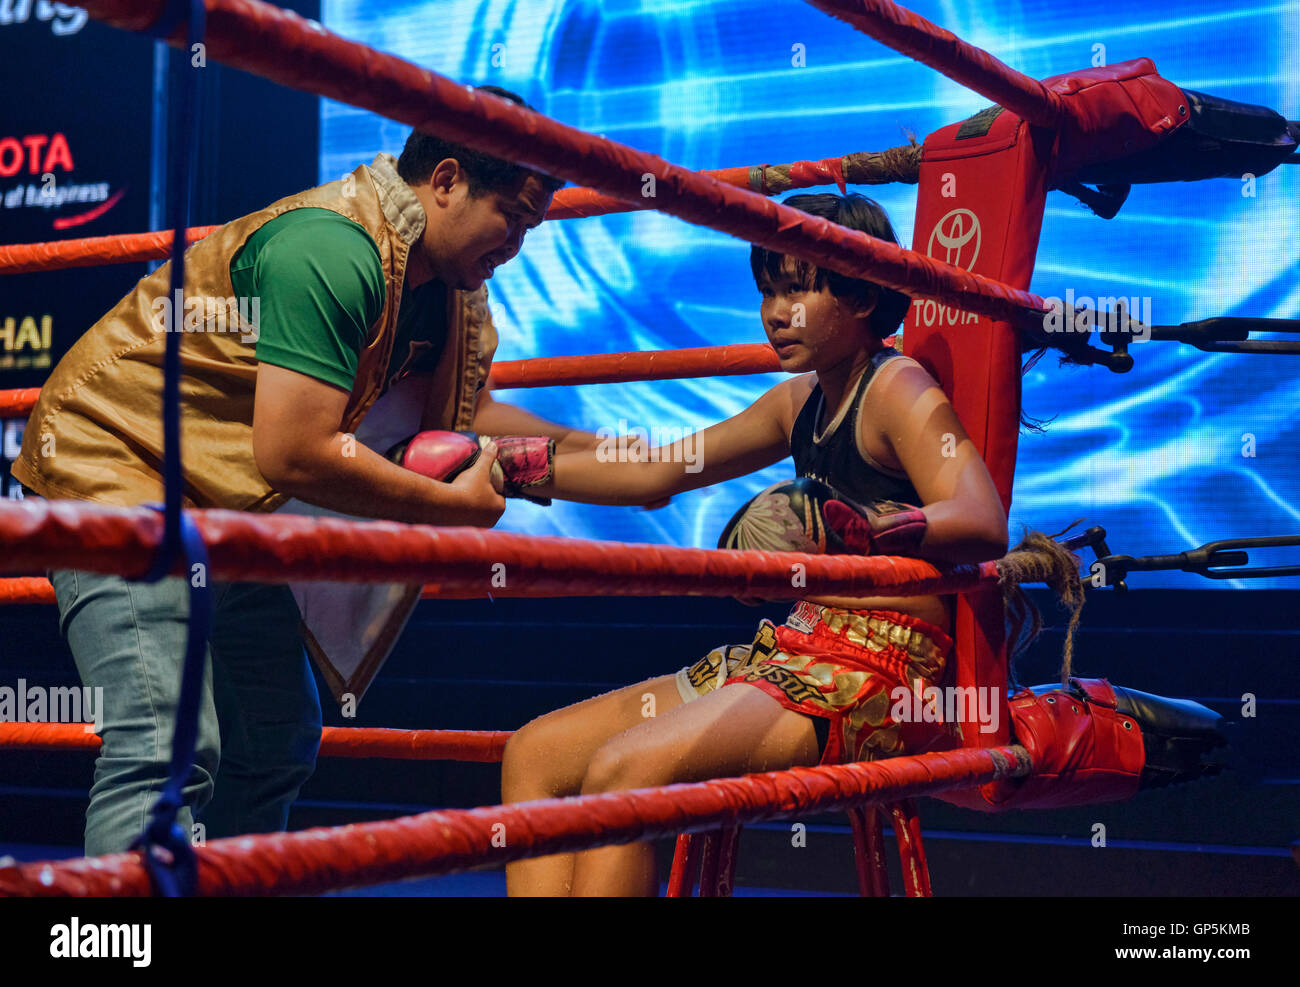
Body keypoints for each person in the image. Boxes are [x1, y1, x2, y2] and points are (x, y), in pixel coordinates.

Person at [9, 85, 613, 856]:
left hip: (218, 504)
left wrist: (681, 453)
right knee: (165, 743)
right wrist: (444, 506)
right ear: (449, 179)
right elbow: (294, 451)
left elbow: (483, 429)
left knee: (272, 735)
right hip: (114, 468)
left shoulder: (440, 293)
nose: (517, 245)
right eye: (515, 218)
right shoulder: (333, 248)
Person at [499, 192, 1009, 896]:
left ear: (861, 293)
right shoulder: (797, 400)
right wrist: (528, 468)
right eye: (768, 289)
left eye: (796, 289)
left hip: (883, 669)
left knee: (626, 768)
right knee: (537, 754)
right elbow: (657, 467)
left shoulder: (897, 385)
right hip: (800, 644)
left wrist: (869, 533)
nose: (775, 311)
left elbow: (982, 517)